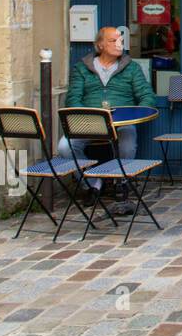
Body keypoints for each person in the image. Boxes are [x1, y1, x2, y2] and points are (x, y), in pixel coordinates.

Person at [57, 26, 157, 213]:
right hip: (89, 122)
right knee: (65, 146)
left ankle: (121, 181)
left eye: (120, 39)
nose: (119, 43)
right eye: (113, 40)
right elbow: (73, 99)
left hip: (122, 122)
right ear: (100, 45)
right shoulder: (82, 68)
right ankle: (92, 184)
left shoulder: (131, 68)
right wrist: (86, 117)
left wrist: (138, 113)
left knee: (127, 143)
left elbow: (146, 95)